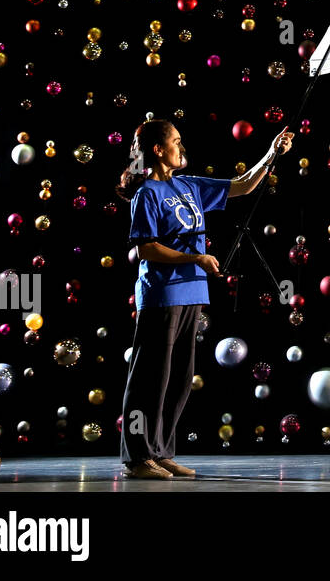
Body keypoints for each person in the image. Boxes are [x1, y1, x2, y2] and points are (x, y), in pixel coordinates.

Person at [113, 118, 293, 479]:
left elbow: (242, 186)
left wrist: (271, 154)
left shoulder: (189, 185)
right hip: (161, 295)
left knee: (178, 379)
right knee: (150, 379)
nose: (182, 147)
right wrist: (194, 258)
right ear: (159, 150)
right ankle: (137, 458)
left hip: (193, 292)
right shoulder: (146, 193)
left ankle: (160, 452)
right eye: (176, 141)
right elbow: (146, 249)